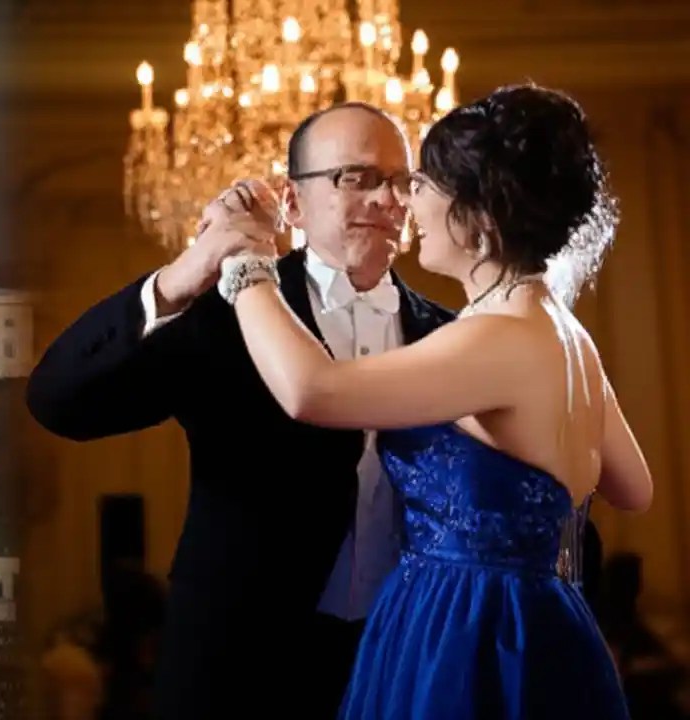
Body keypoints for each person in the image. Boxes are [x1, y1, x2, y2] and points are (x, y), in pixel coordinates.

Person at [217, 83, 652, 718]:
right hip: (544, 618)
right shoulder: (565, 331)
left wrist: (247, 264)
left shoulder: (493, 339)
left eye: (422, 183)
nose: (404, 201)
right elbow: (633, 488)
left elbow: (312, 390)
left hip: (467, 630)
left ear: (479, 214)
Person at [25, 101, 454, 718]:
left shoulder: (451, 335)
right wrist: (185, 273)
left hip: (402, 663)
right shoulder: (229, 316)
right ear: (293, 201)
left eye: (401, 181)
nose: (388, 199)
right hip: (236, 663)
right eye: (357, 177)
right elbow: (58, 399)